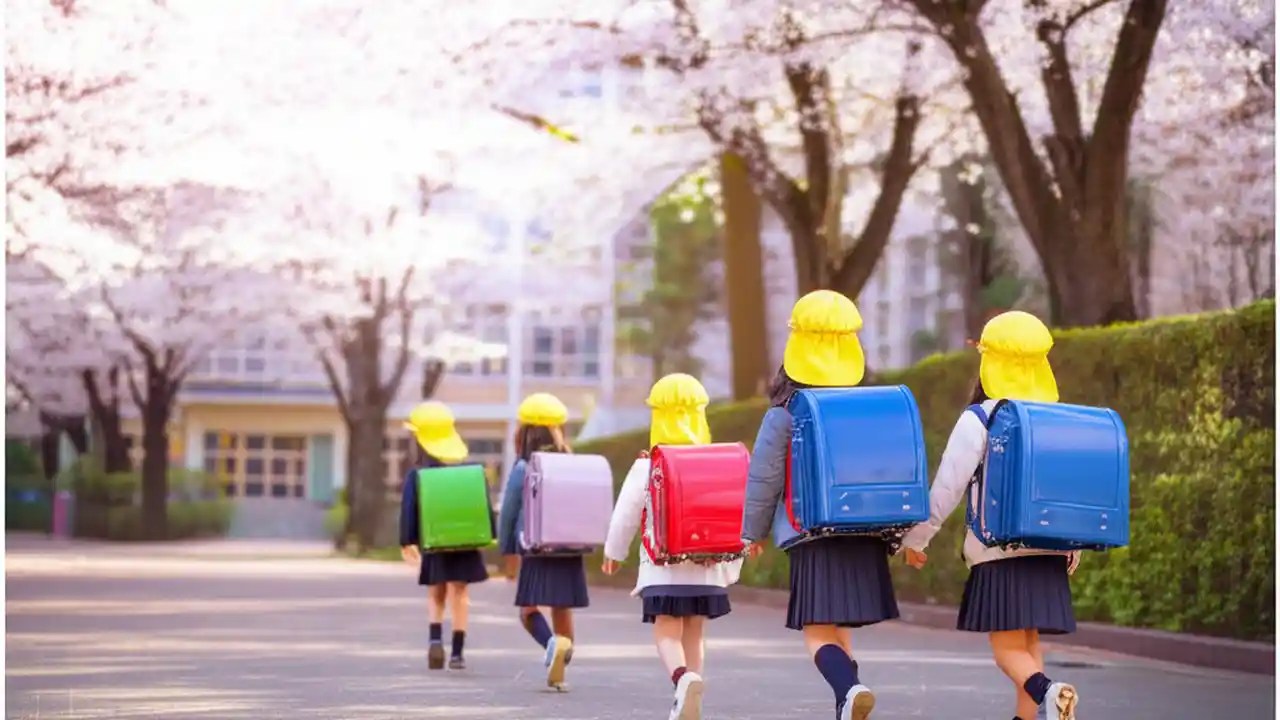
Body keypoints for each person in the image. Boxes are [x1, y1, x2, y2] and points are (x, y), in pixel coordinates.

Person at [900, 311, 1080, 720]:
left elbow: (948, 486)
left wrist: (916, 538)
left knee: (1007, 649)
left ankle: (1049, 691)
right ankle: (1033, 712)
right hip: (1050, 549)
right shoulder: (1057, 419)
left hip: (997, 550)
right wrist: (1075, 547)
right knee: (1030, 642)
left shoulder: (981, 418)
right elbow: (1069, 489)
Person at [740, 290, 896, 720]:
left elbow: (765, 477)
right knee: (838, 626)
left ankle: (850, 689)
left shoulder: (785, 413)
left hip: (810, 534)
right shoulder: (872, 408)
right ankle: (846, 700)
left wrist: (751, 532)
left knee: (817, 631)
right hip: (865, 532)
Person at [602, 373, 742, 720]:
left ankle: (682, 681)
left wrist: (613, 552)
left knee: (667, 630)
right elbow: (737, 507)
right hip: (707, 568)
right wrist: (747, 543)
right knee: (694, 631)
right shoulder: (717, 463)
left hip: (662, 567)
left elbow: (626, 515)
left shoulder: (647, 464)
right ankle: (692, 691)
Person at [497, 392, 587, 691]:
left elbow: (509, 513)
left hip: (535, 548)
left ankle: (550, 644)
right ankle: (563, 658)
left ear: (522, 434)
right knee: (562, 608)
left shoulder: (523, 467)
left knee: (528, 609)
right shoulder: (572, 463)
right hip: (570, 547)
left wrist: (506, 550)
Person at [398, 401, 490, 671]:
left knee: (436, 591)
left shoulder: (418, 473)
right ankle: (458, 653)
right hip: (465, 542)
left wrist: (407, 540)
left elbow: (408, 509)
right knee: (460, 593)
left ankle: (435, 640)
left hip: (435, 540)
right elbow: (480, 506)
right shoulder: (467, 470)